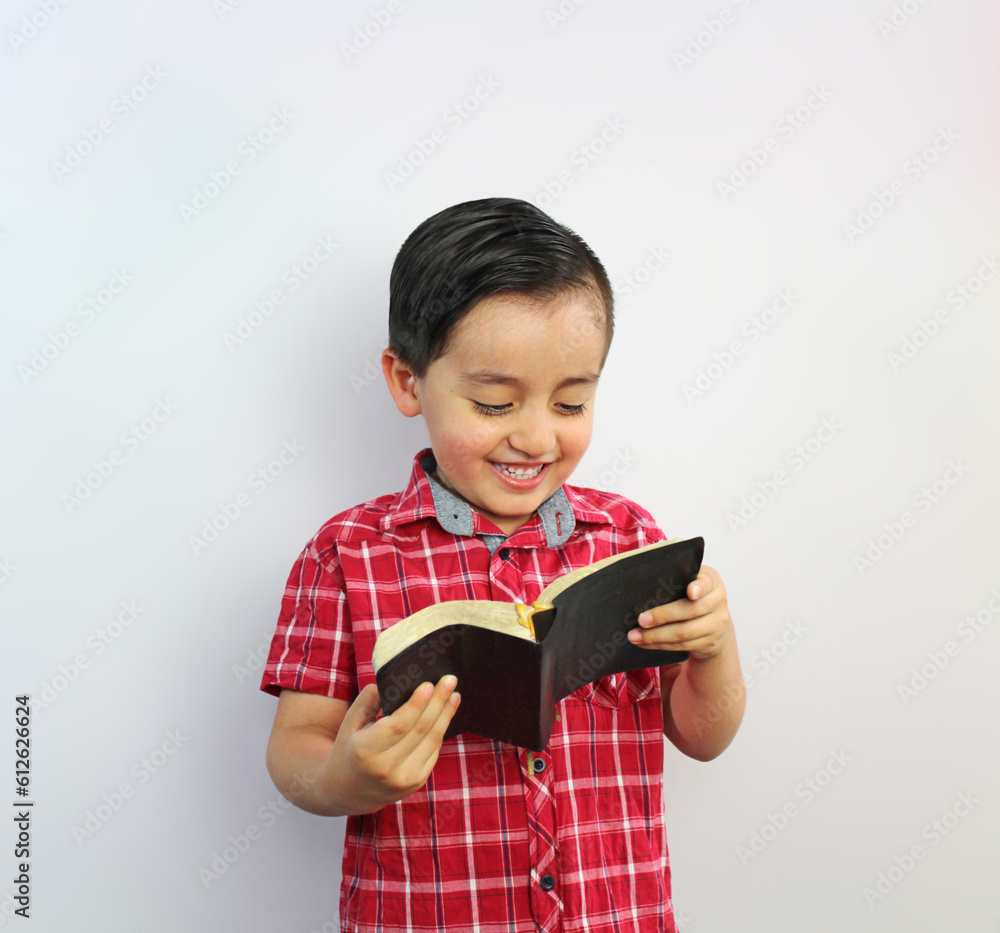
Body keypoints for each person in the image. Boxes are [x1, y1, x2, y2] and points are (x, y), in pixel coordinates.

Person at [261, 197, 745, 932]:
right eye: (493, 404)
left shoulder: (630, 536)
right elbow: (294, 746)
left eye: (571, 402)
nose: (535, 436)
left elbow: (703, 735)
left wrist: (716, 646)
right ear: (407, 380)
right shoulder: (346, 554)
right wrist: (342, 777)